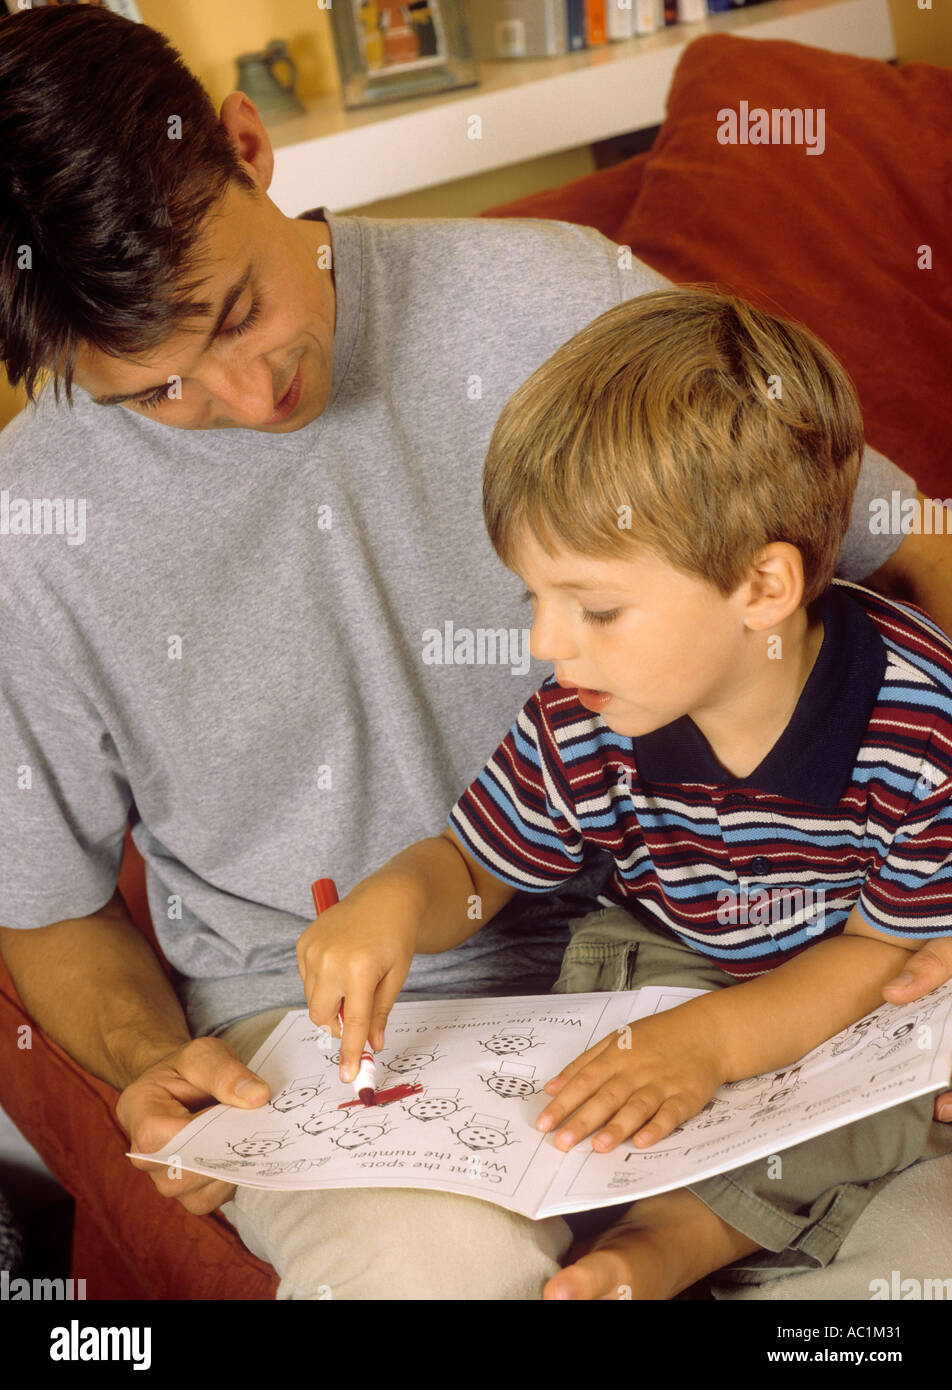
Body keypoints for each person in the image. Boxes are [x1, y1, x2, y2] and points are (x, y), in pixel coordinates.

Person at [0, 6, 950, 1300]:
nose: (238, 399)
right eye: (152, 390)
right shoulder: (29, 531)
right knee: (441, 1279)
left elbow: (905, 547)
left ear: (245, 142)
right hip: (339, 1052)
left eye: (235, 313)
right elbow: (48, 911)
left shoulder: (556, 302)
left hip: (717, 949)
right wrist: (146, 1059)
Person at [295, 285, 952, 1299]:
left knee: (904, 1071)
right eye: (537, 599)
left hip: (857, 978)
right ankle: (635, 1214)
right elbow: (476, 866)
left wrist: (714, 1043)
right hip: (671, 959)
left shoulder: (917, 730)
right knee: (599, 1044)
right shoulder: (585, 717)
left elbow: (877, 955)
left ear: (762, 589)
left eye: (595, 607)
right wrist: (395, 901)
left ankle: (667, 1246)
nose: (545, 645)